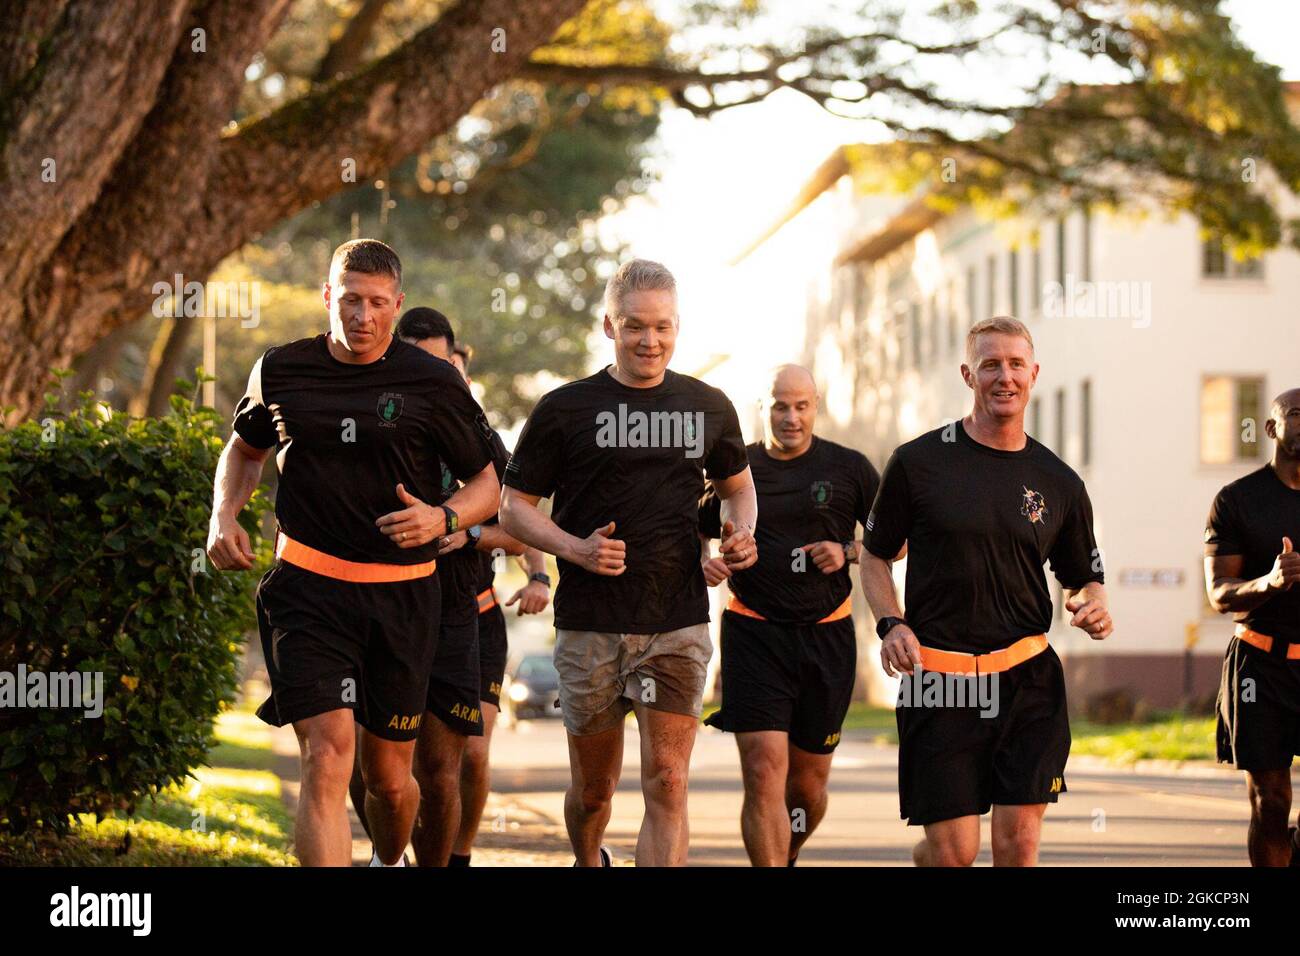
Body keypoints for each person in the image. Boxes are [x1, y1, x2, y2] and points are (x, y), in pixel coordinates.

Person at [206, 240, 499, 867]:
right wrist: (223, 513)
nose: (360, 316)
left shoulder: (433, 382)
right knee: (327, 755)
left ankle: (387, 860)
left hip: (403, 598)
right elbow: (244, 449)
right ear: (326, 297)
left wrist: (441, 517)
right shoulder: (280, 370)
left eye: (375, 303)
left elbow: (489, 484)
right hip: (308, 590)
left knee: (389, 783)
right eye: (348, 300)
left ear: (396, 304)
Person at [499, 258, 758, 866]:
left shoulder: (709, 405)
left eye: (663, 327)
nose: (651, 340)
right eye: (635, 326)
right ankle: (589, 859)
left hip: (678, 620)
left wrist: (740, 532)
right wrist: (575, 549)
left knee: (667, 783)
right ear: (609, 326)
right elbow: (513, 507)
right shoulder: (565, 409)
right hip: (591, 623)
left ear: (677, 326)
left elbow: (738, 487)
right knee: (595, 791)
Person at [860, 315, 1113, 867]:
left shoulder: (1059, 480)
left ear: (1034, 373)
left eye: (1016, 364)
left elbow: (1082, 575)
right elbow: (873, 554)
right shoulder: (918, 462)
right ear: (967, 374)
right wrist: (891, 622)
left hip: (1028, 678)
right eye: (991, 364)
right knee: (954, 856)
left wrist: (1092, 602)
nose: (1005, 376)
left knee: (1018, 847)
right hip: (941, 682)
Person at [698, 364, 882, 866]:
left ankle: (788, 852)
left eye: (801, 406)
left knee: (807, 790)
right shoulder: (734, 472)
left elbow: (896, 543)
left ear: (815, 406)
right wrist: (706, 562)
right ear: (763, 407)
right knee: (762, 770)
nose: (791, 417)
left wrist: (846, 550)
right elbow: (696, 530)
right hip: (753, 632)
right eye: (780, 405)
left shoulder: (851, 469)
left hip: (827, 638)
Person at [445, 342, 554, 867]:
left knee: (473, 750)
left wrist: (537, 576)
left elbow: (518, 519)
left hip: (477, 613)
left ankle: (459, 855)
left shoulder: (484, 443)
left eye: (454, 373)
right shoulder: (394, 436)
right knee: (397, 760)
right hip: (404, 612)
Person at [1204, 386, 1300, 866]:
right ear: (1271, 428)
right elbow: (1219, 592)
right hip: (1260, 667)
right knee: (1272, 801)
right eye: (1296, 414)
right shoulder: (1238, 500)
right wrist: (1270, 582)